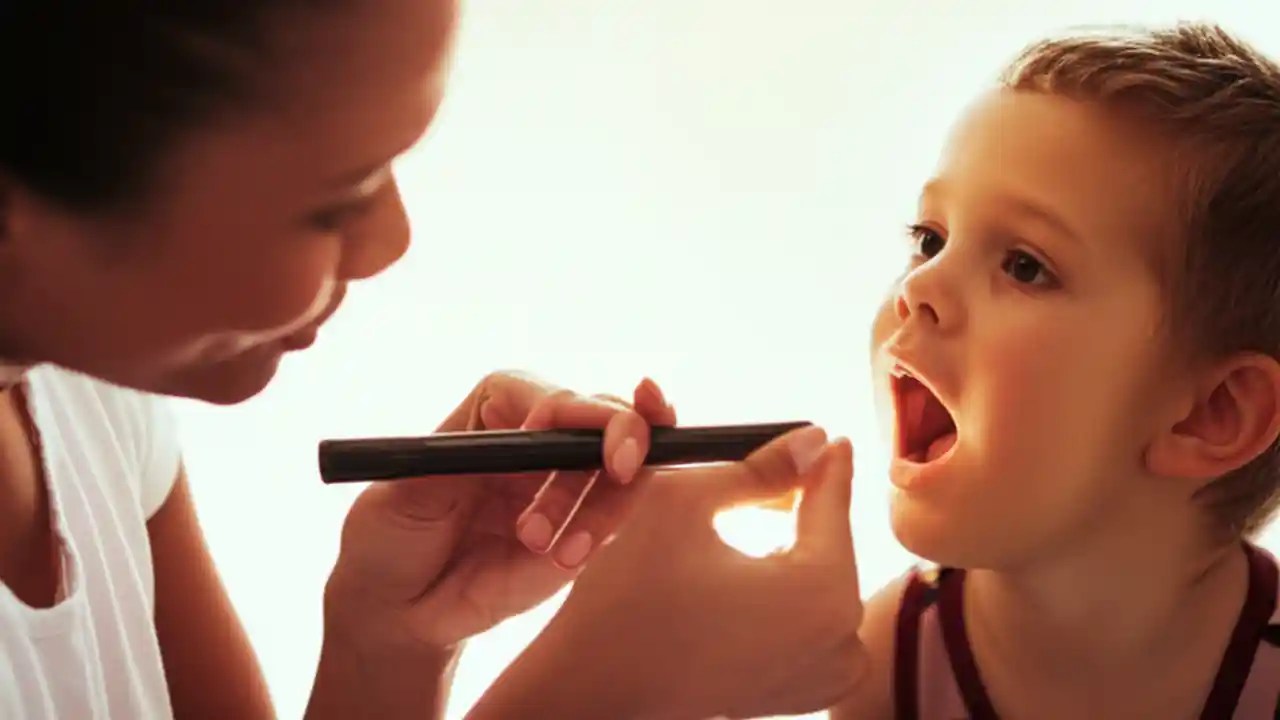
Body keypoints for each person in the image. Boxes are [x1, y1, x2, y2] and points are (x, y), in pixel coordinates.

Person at [0, 2, 868, 719]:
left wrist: (392, 647)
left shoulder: (79, 385)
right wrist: (594, 698)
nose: (392, 242)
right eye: (339, 198)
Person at [808, 21, 1280, 720]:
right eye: (929, 239)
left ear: (1210, 413)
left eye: (1025, 266)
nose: (919, 287)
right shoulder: (883, 666)